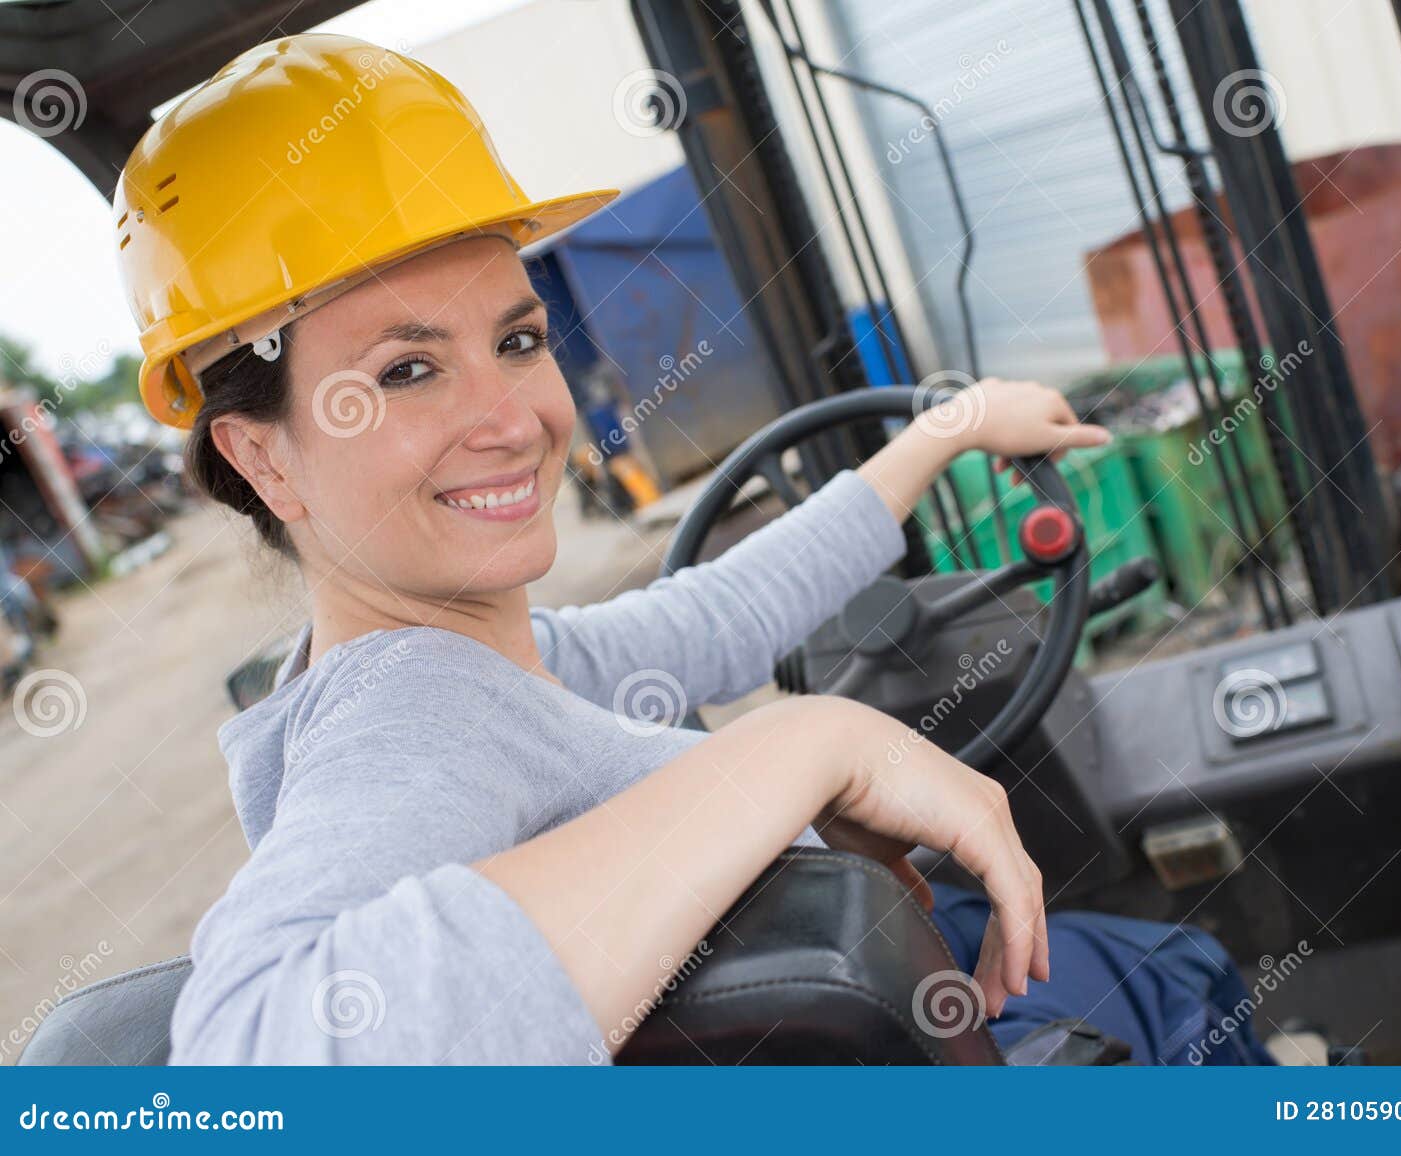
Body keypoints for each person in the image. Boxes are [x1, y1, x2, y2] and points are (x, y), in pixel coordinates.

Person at [116, 33, 1275, 1065]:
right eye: (406, 370)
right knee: (1178, 975)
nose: (515, 419)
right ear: (263, 459)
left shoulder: (490, 663)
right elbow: (258, 1062)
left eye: (517, 340)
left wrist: (944, 433)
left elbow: (719, 615)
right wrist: (800, 748)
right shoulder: (412, 711)